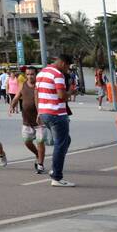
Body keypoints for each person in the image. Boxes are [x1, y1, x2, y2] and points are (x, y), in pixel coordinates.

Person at [37, 53, 74, 187]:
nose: (67, 70)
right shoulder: (58, 75)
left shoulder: (42, 72)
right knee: (60, 143)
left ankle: (55, 168)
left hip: (44, 113)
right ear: (64, 64)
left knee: (65, 141)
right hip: (57, 114)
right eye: (68, 67)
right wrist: (71, 92)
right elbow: (62, 96)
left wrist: (39, 111)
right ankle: (56, 176)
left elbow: (37, 93)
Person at [18, 67, 46, 174]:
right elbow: (18, 95)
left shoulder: (40, 85)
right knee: (27, 141)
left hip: (40, 120)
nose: (30, 76)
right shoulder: (23, 84)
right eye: (28, 74)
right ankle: (37, 154)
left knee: (40, 142)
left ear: (36, 74)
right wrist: (13, 103)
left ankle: (40, 164)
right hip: (27, 119)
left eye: (32, 74)